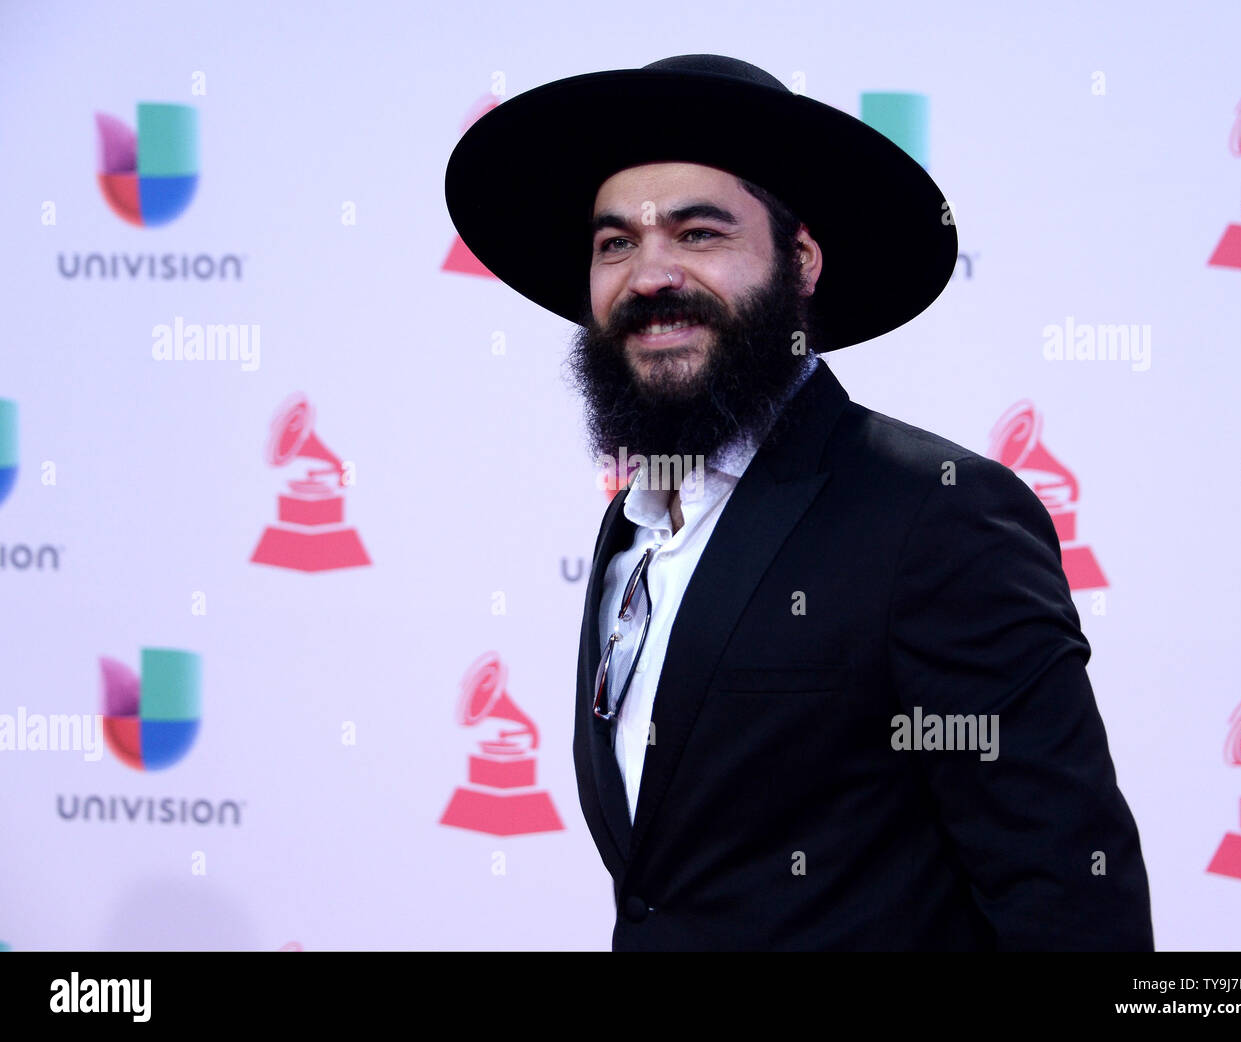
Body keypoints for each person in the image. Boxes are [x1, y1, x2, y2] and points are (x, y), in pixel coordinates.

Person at [445, 53, 1154, 951]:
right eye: (616, 243)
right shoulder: (631, 527)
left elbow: (1069, 895)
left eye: (699, 234)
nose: (649, 274)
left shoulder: (936, 514)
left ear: (802, 260)